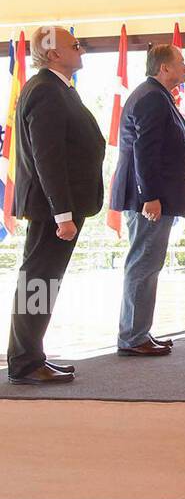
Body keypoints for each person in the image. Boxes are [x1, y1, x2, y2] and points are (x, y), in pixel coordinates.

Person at [6, 27, 105, 385]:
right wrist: (62, 213)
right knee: (38, 282)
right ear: (53, 53)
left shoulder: (58, 88)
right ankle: (25, 361)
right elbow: (48, 157)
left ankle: (30, 356)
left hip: (59, 207)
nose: (82, 50)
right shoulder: (46, 90)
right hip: (53, 209)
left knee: (44, 281)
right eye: (75, 45)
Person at [109, 43, 185, 356]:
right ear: (164, 68)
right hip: (146, 199)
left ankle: (138, 333)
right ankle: (133, 337)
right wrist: (150, 196)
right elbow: (144, 152)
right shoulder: (151, 98)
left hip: (152, 197)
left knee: (148, 264)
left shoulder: (156, 95)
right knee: (143, 264)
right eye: (181, 63)